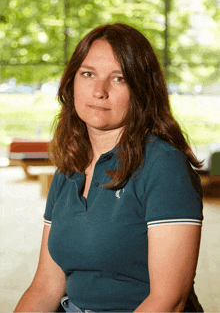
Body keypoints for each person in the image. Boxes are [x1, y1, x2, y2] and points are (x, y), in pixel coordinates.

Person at [14, 23, 204, 312]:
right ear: (71, 82)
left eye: (118, 79)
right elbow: (46, 286)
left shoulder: (164, 166)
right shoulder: (69, 168)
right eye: (88, 74)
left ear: (142, 90)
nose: (98, 91)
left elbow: (169, 301)